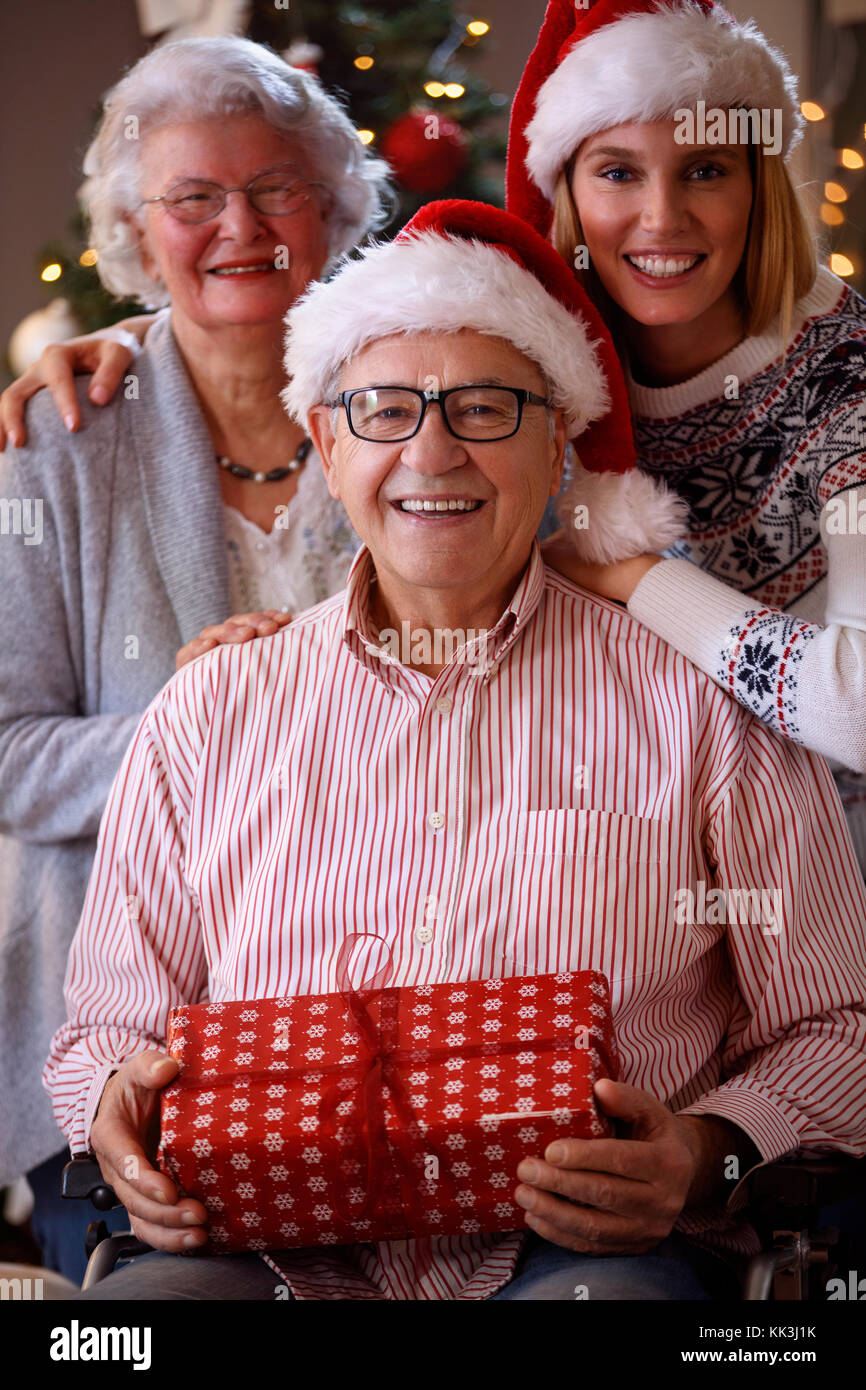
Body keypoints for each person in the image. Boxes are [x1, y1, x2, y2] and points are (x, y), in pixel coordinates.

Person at [45, 201, 866, 1302]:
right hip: (259, 1246)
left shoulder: (698, 701)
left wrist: (707, 1149)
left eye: (483, 408)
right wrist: (114, 1104)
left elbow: (836, 1026)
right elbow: (107, 1028)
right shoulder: (205, 714)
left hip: (594, 1252)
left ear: (554, 441)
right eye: (383, 412)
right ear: (328, 449)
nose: (430, 451)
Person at [0, 33, 392, 1280]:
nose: (239, 225)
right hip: (130, 1060)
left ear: (330, 207)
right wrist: (202, 722)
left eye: (274, 188)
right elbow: (8, 754)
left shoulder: (420, 407)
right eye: (191, 197)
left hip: (389, 1034)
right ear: (134, 226)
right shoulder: (53, 446)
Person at [506, 0, 866, 868]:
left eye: (704, 170)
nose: (662, 219)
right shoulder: (527, 360)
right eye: (618, 173)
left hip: (834, 851)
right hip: (626, 845)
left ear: (758, 189)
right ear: (565, 193)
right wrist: (136, 345)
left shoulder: (848, 376)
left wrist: (632, 577)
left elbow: (857, 711)